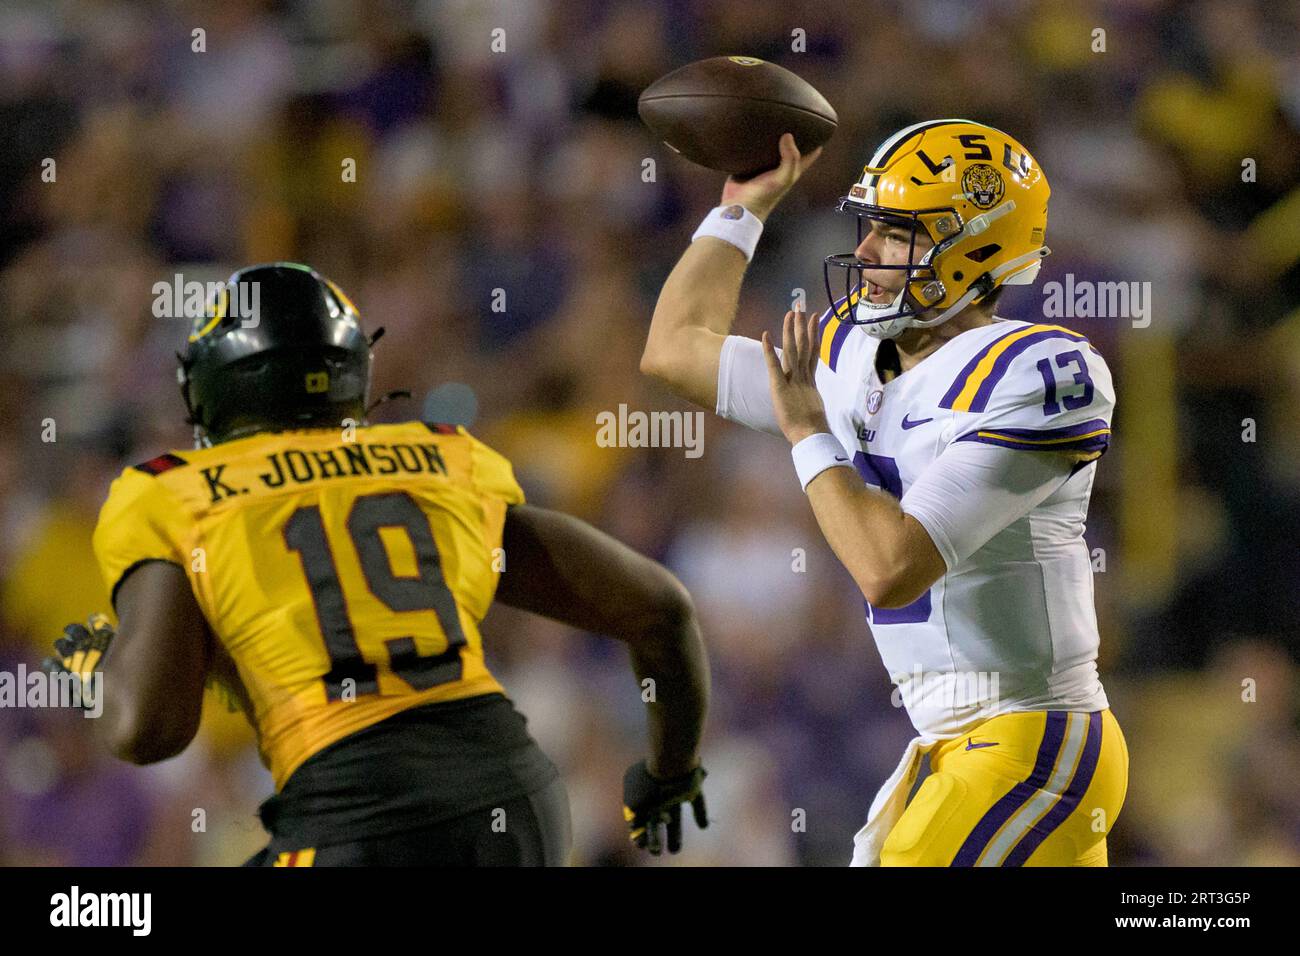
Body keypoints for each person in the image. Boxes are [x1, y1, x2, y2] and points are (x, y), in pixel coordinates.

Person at [47, 262, 710, 866]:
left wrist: (103, 675)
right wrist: (670, 774)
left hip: (356, 813)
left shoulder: (175, 491)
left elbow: (145, 731)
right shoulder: (435, 462)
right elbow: (660, 607)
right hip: (515, 801)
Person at [641, 121, 1127, 866]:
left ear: (976, 246)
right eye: (869, 226)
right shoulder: (852, 351)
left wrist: (808, 432)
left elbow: (890, 565)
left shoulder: (1042, 371)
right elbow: (674, 345)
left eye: (896, 234)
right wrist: (740, 210)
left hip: (1031, 740)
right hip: (948, 746)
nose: (865, 251)